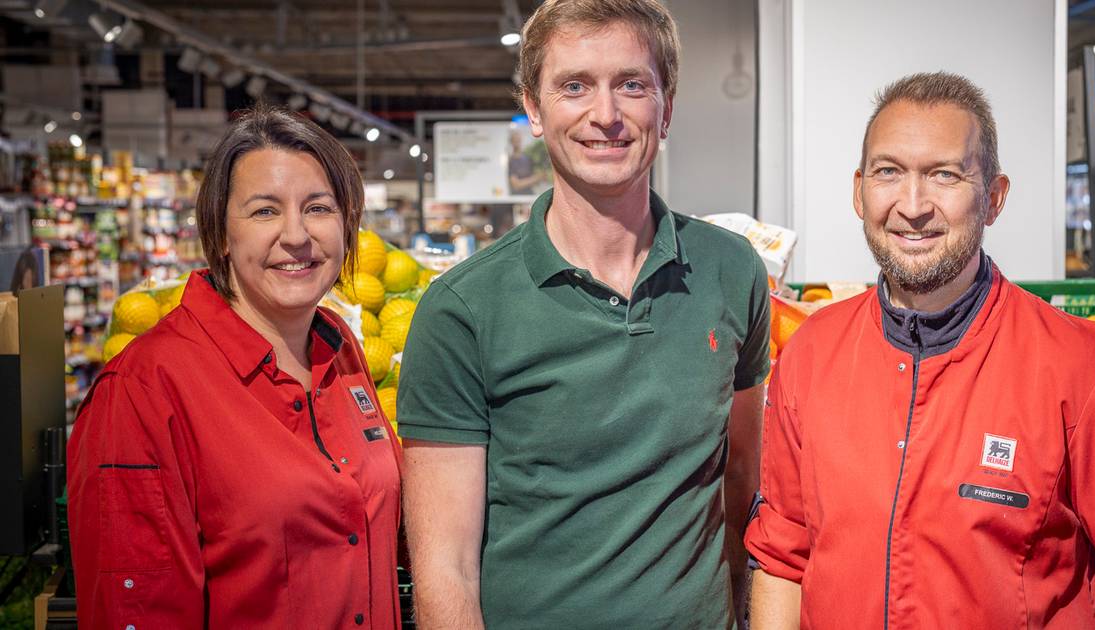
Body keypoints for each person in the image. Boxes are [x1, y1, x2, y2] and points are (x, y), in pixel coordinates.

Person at [744, 72, 1095, 628]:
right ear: (859, 192)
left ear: (994, 198)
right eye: (889, 172)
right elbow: (782, 558)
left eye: (945, 175)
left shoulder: (1084, 364)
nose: (912, 206)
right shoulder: (811, 352)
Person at [396, 0, 770, 628]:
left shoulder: (733, 272)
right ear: (535, 110)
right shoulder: (462, 309)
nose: (606, 115)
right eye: (575, 86)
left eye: (632, 85)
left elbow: (740, 477)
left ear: (667, 107)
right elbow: (446, 571)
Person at [66, 106, 404, 629]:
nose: (297, 235)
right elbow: (135, 612)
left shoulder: (343, 352)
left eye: (318, 208)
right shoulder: (143, 389)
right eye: (265, 211)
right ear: (221, 233)